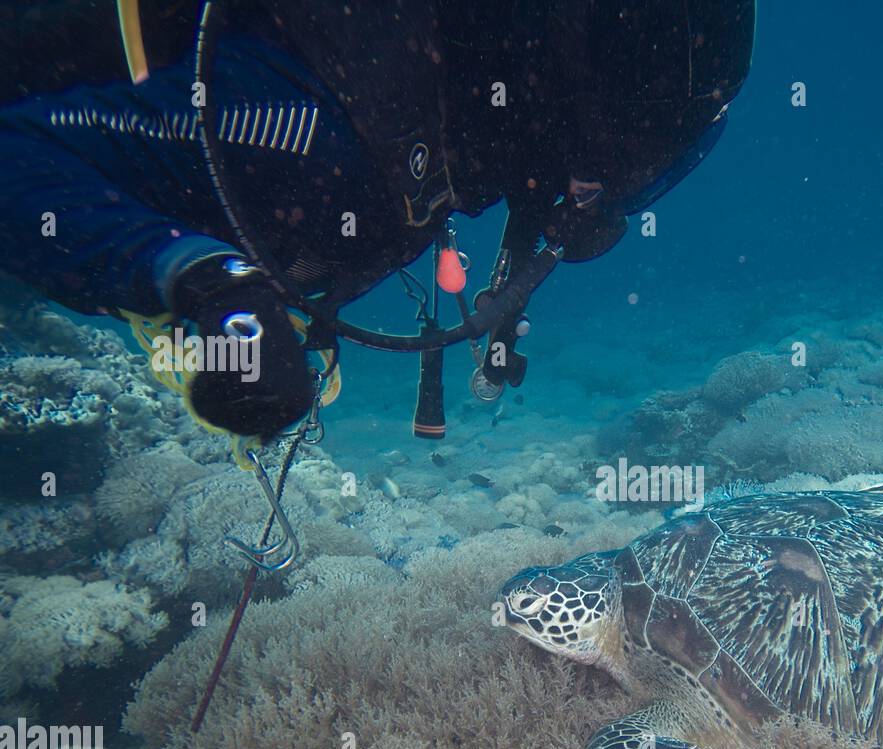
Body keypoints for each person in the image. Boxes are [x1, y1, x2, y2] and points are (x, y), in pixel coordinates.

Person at [0, 0, 755, 441]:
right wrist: (208, 285)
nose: (601, 204)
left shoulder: (436, 128)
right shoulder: (311, 136)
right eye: (624, 163)